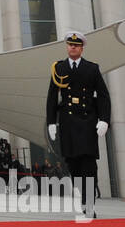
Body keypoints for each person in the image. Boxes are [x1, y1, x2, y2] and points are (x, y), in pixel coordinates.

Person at [45, 31, 111, 217]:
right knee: (72, 163)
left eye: (76, 45)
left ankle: (89, 204)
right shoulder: (59, 68)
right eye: (70, 44)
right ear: (67, 47)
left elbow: (104, 96)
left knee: (88, 164)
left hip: (87, 120)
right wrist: (51, 122)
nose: (72, 47)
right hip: (67, 121)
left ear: (82, 48)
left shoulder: (92, 68)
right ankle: (82, 198)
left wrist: (104, 119)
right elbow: (52, 97)